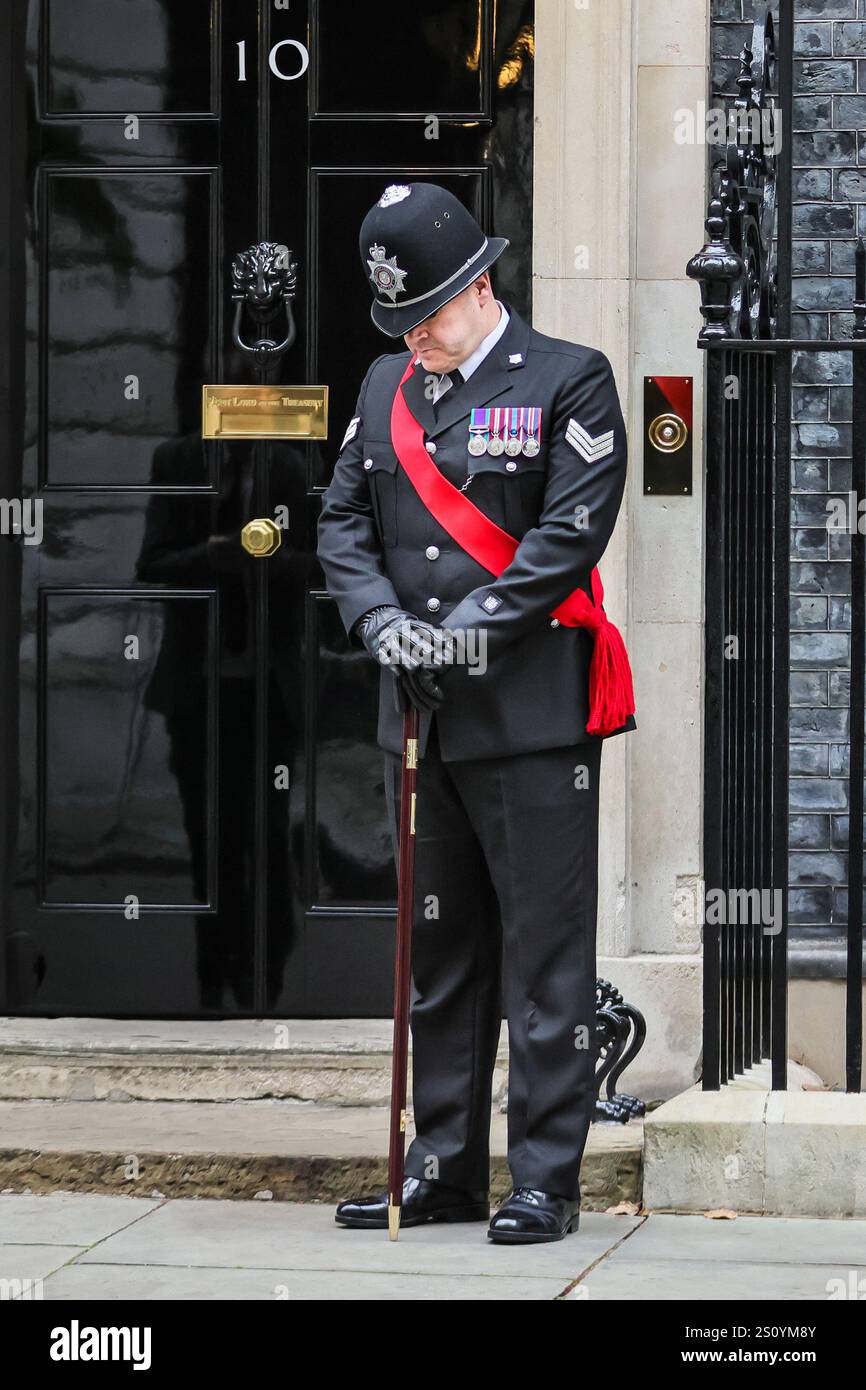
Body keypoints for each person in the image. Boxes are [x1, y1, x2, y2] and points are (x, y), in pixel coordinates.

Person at [317, 182, 635, 1244]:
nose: (418, 336)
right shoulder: (381, 386)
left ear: (480, 284)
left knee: (543, 960)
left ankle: (542, 1177)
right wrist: (380, 626)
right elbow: (341, 525)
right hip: (419, 714)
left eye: (434, 314)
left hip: (530, 717)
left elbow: (564, 538)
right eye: (402, 320)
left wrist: (459, 633)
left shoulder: (568, 381)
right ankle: (441, 1171)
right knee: (439, 957)